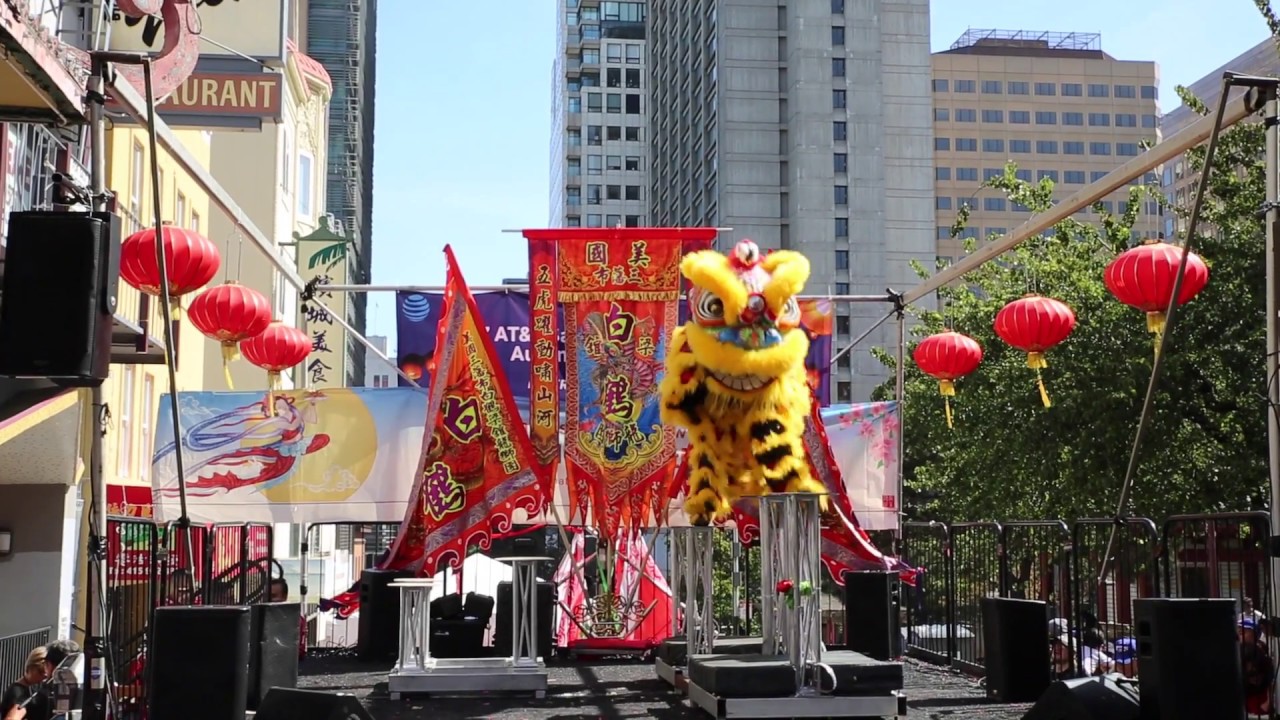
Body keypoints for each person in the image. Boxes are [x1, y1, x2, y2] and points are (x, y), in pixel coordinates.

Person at [0, 647, 47, 720]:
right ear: (30, 667)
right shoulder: (16, 692)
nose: (44, 676)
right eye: (40, 671)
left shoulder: (35, 687)